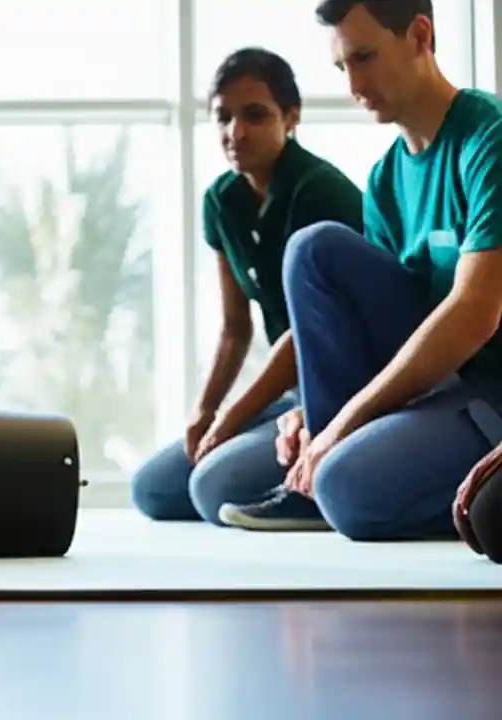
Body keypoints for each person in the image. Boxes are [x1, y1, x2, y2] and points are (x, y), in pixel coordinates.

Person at [218, 0, 502, 539]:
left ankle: (476, 498)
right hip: (434, 390)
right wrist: (316, 415)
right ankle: (325, 474)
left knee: (344, 489)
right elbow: (364, 331)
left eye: (365, 58)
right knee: (214, 486)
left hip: (491, 393)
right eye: (342, 66)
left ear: (419, 37)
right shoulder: (384, 180)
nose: (353, 85)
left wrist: (344, 424)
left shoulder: (488, 138)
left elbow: (474, 313)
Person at [129, 48, 363, 525]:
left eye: (254, 116)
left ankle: (326, 485)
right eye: (224, 117)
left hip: (342, 390)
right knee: (152, 488)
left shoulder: (319, 191)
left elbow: (305, 336)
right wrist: (205, 412)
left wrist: (231, 420)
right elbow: (236, 328)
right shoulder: (222, 201)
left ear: (291, 118)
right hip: (289, 395)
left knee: (211, 485)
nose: (235, 133)